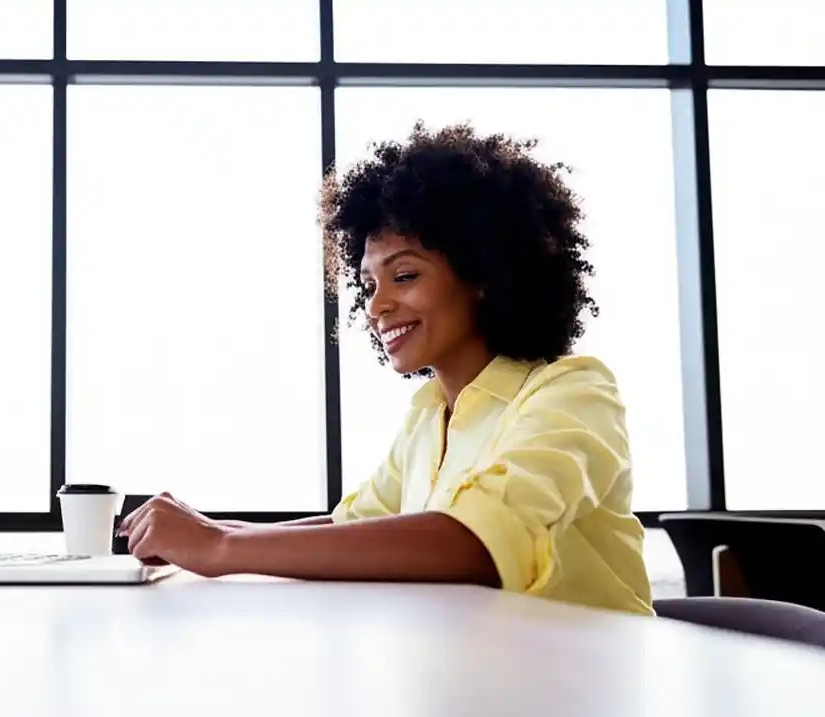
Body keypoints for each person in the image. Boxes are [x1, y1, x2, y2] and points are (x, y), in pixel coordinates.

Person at [118, 122, 652, 615]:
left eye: (404, 276)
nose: (376, 307)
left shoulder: (574, 391)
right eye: (370, 285)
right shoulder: (427, 417)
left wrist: (221, 546)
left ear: (485, 275)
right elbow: (353, 529)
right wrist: (210, 529)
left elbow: (478, 541)